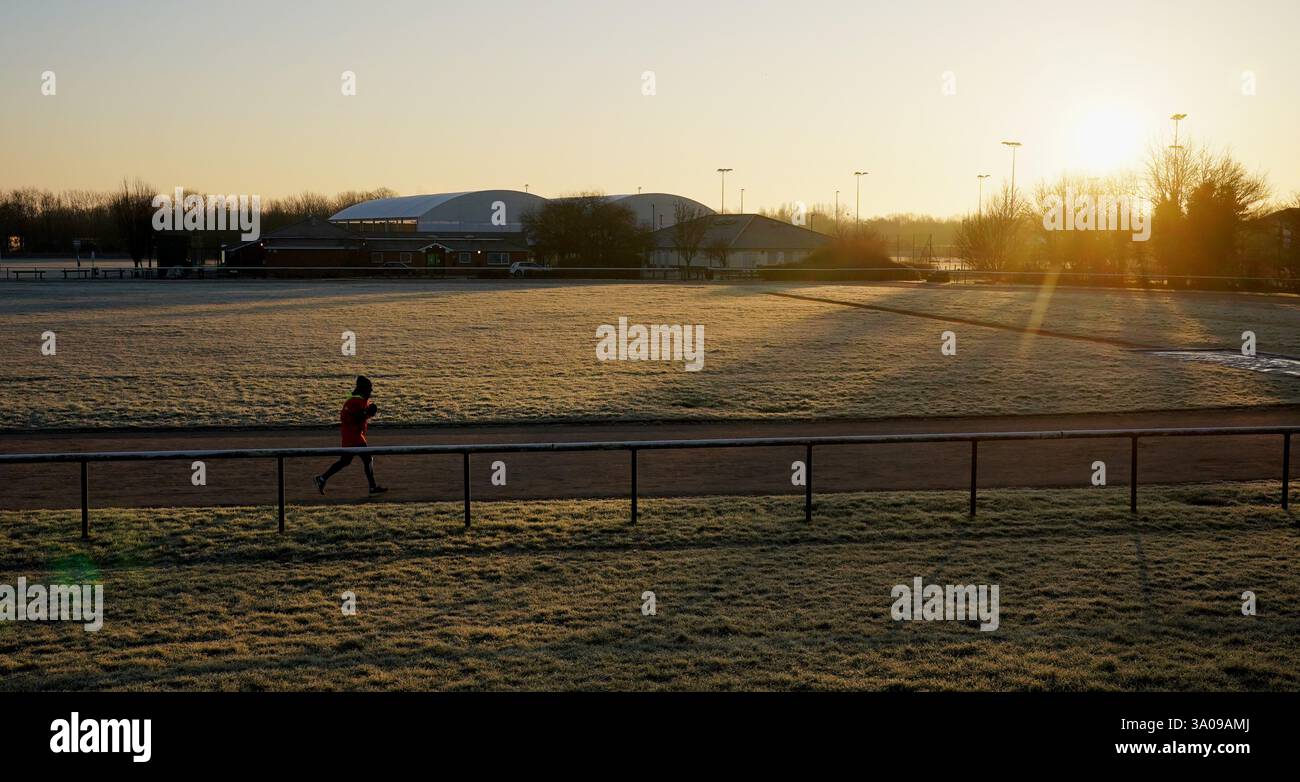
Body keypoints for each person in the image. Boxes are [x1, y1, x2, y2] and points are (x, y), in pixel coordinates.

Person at [314, 375, 387, 495]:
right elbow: (352, 418)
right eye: (369, 388)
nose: (371, 391)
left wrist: (368, 413)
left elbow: (361, 415)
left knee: (345, 461)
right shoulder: (354, 401)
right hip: (354, 436)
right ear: (363, 389)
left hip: (353, 435)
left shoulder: (360, 400)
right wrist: (367, 413)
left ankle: (322, 479)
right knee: (367, 459)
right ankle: (372, 488)